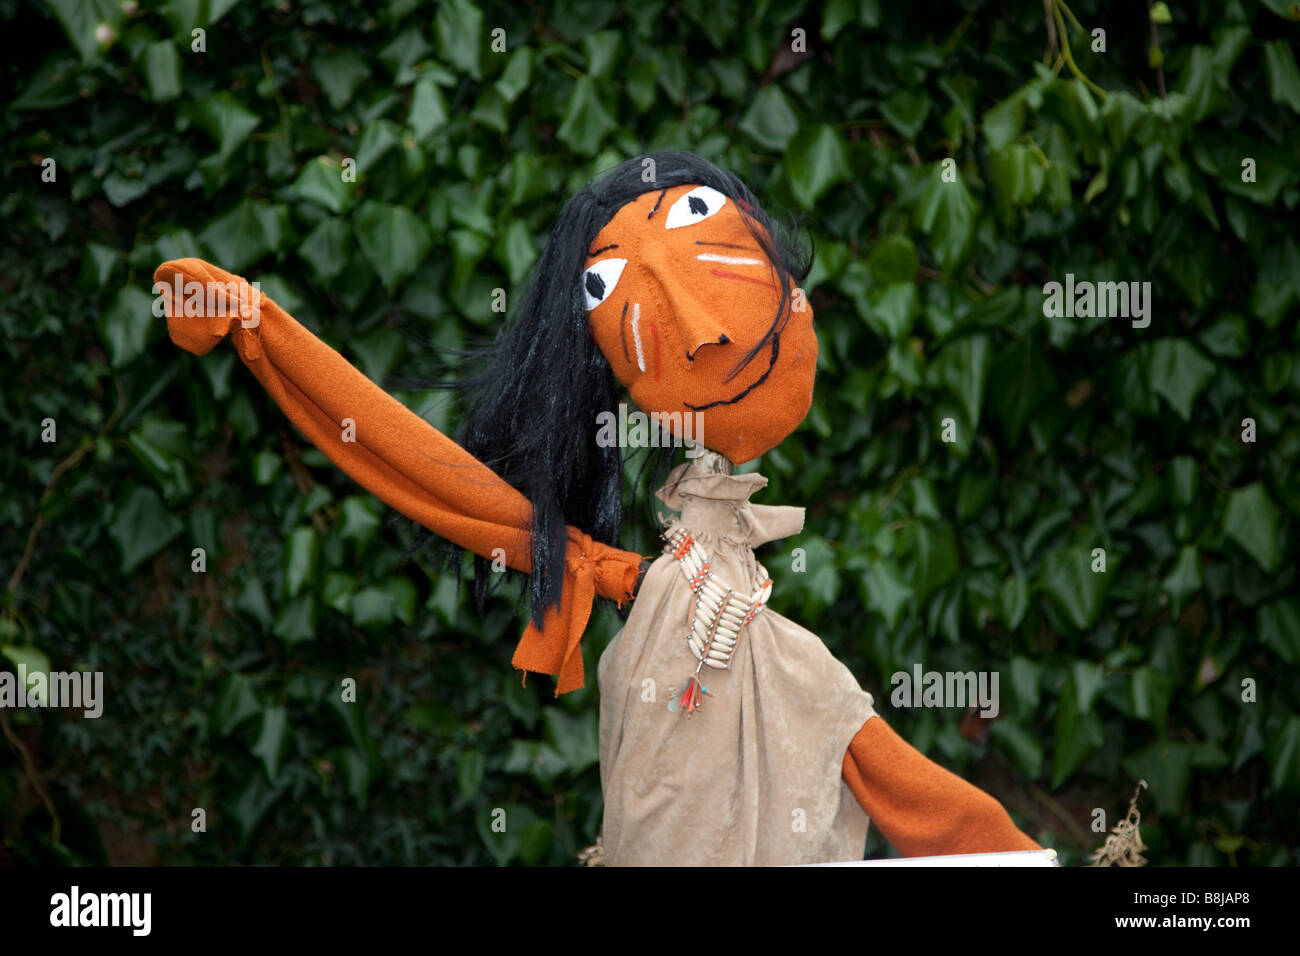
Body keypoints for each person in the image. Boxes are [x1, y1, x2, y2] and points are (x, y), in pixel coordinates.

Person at [157, 150, 1040, 865]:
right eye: (610, 284)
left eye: (698, 223)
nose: (698, 327)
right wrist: (261, 329)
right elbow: (426, 475)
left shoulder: (788, 664)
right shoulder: (673, 605)